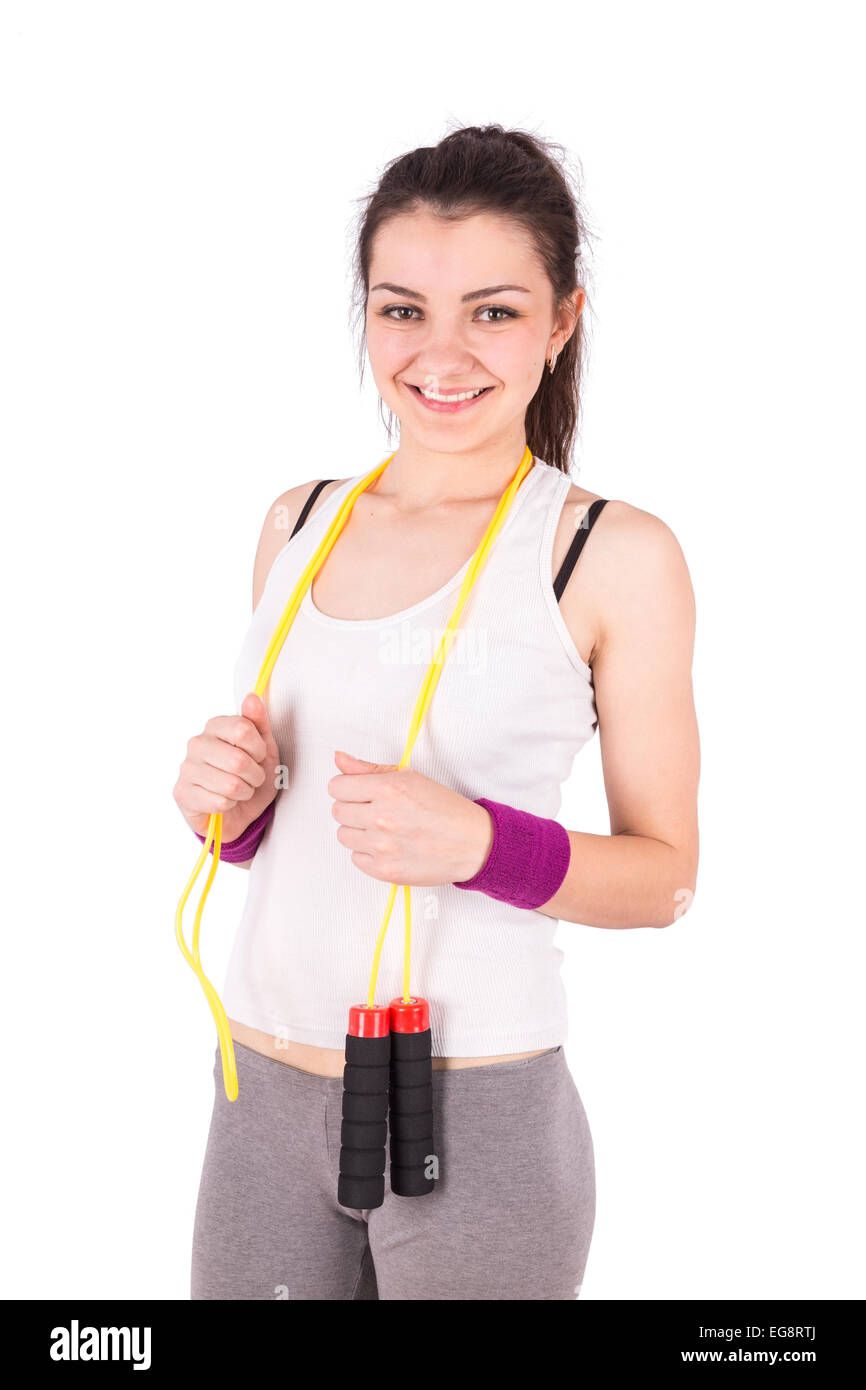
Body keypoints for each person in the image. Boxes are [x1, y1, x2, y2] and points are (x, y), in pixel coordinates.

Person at [172, 123, 700, 1300]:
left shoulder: (605, 555)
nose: (441, 352)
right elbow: (288, 830)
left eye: (494, 312)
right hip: (259, 1094)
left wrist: (476, 843)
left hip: (478, 1108)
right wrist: (233, 810)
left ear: (561, 320)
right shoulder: (296, 521)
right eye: (402, 309)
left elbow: (667, 878)